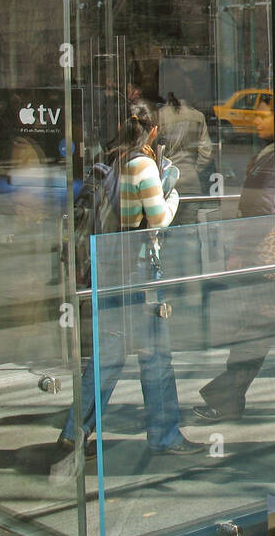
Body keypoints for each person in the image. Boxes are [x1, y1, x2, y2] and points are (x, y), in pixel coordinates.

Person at [53, 103, 202, 468]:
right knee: (156, 357)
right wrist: (174, 195)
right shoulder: (142, 165)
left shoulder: (112, 162)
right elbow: (157, 221)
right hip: (137, 272)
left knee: (108, 357)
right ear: (152, 132)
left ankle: (75, 431)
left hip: (109, 268)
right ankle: (165, 435)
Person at [193, 98, 275, 422]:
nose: (256, 121)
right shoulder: (270, 153)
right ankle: (228, 397)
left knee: (256, 330)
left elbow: (262, 208)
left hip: (266, 254)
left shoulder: (274, 156)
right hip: (267, 253)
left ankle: (227, 397)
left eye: (262, 116)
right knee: (260, 330)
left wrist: (241, 249)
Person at [158, 93, 214, 225]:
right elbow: (206, 151)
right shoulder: (197, 116)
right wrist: (194, 169)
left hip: (168, 183)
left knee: (166, 232)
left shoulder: (160, 115)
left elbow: (156, 150)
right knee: (189, 231)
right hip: (191, 182)